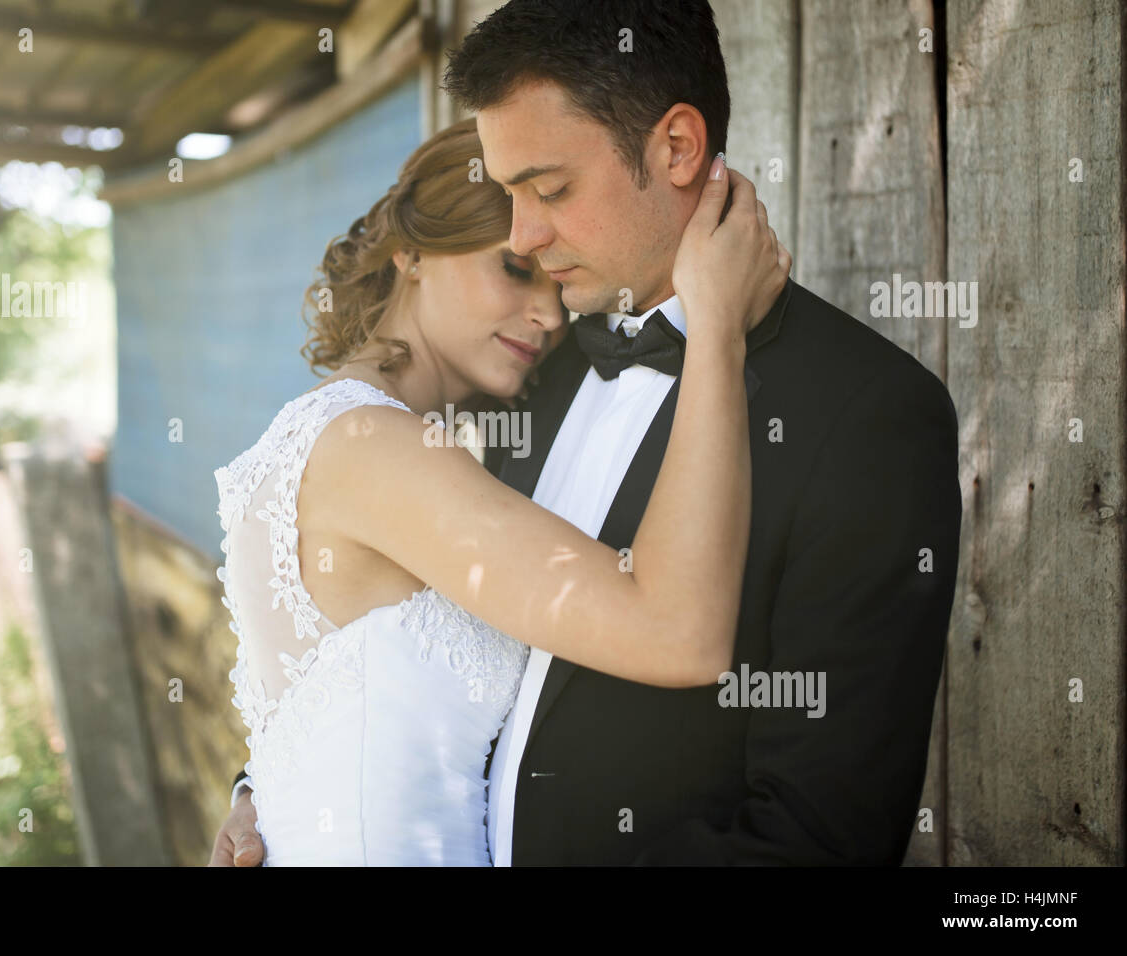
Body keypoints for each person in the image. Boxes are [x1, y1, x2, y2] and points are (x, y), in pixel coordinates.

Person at [214, 0, 962, 867]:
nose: (527, 234)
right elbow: (371, 655)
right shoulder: (523, 379)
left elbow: (818, 837)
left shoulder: (867, 415)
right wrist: (268, 790)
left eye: (551, 188)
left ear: (677, 148)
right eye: (506, 201)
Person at [207, 109, 787, 864]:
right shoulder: (372, 446)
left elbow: (328, 710)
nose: (548, 314)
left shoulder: (361, 434)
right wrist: (717, 326)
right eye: (514, 270)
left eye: (556, 282)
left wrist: (256, 795)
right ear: (413, 254)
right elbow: (678, 633)